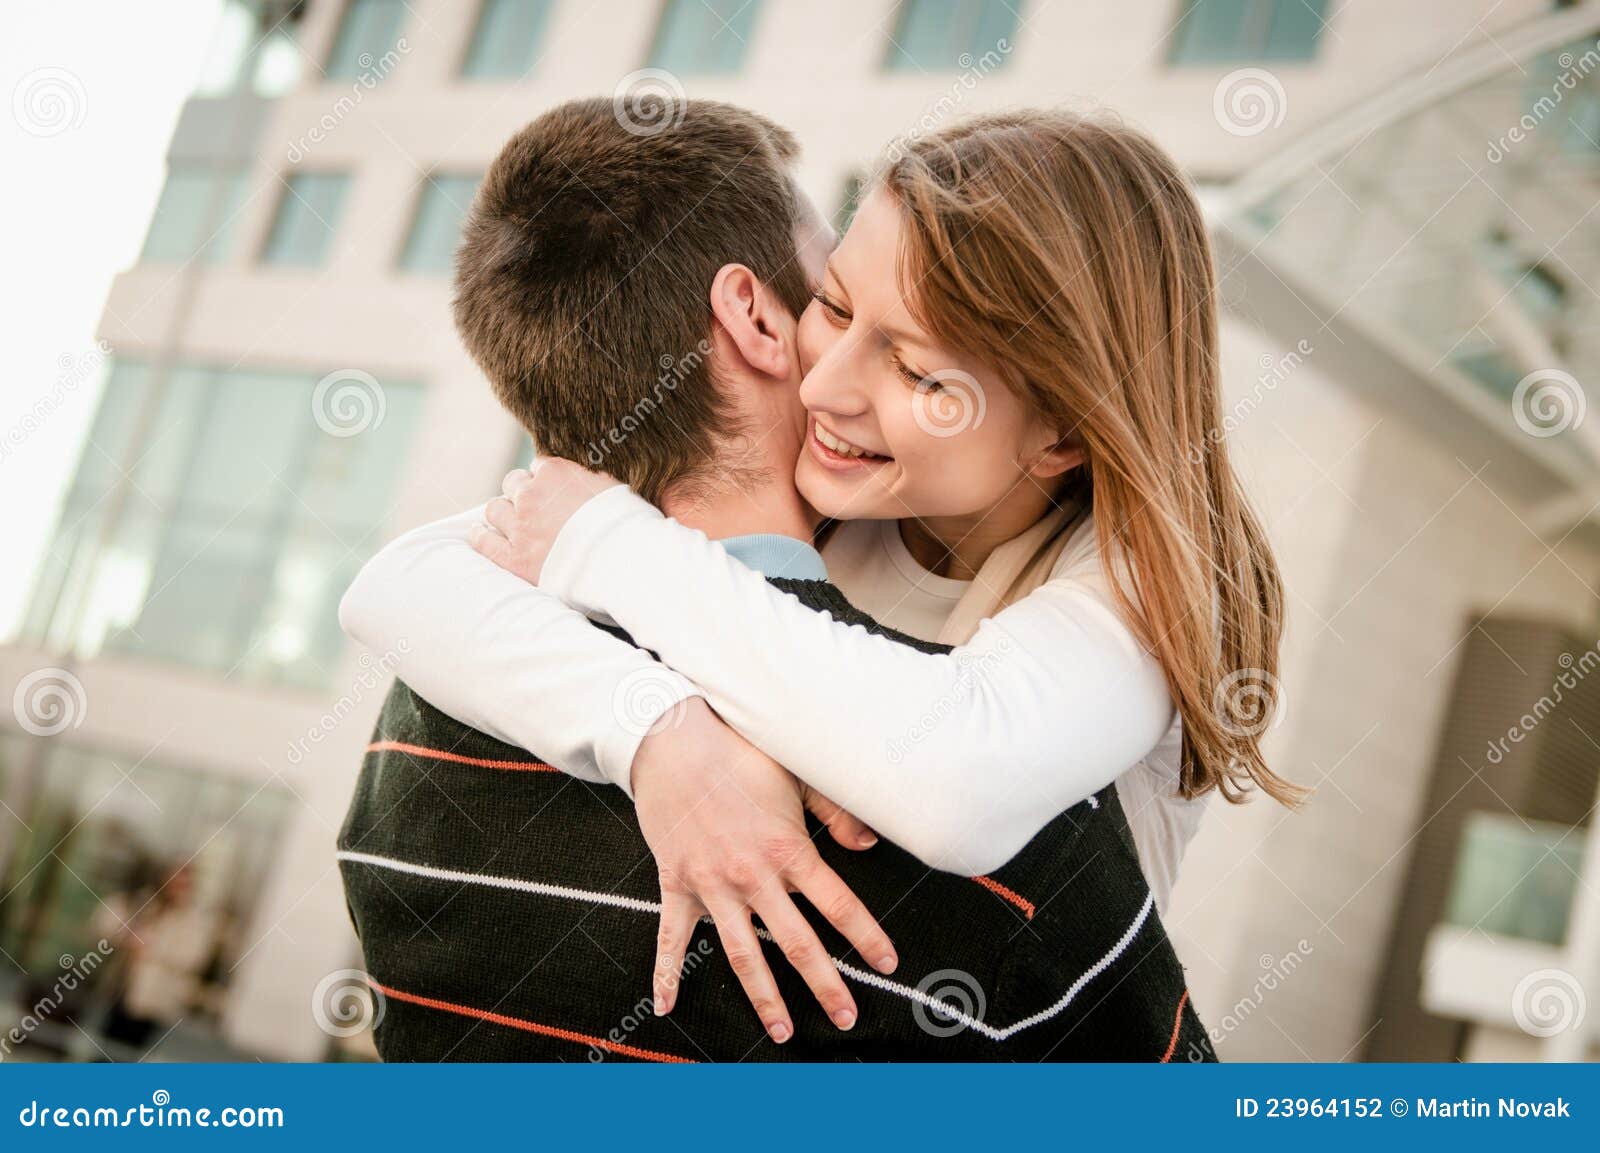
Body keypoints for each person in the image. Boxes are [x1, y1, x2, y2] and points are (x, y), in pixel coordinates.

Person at [337, 98, 1213, 1061]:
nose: (827, 382)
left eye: (916, 369)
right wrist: (658, 736)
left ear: (1064, 432)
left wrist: (612, 545)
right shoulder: (840, 481)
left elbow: (957, 781)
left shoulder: (1138, 586)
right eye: (835, 303)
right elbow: (400, 581)